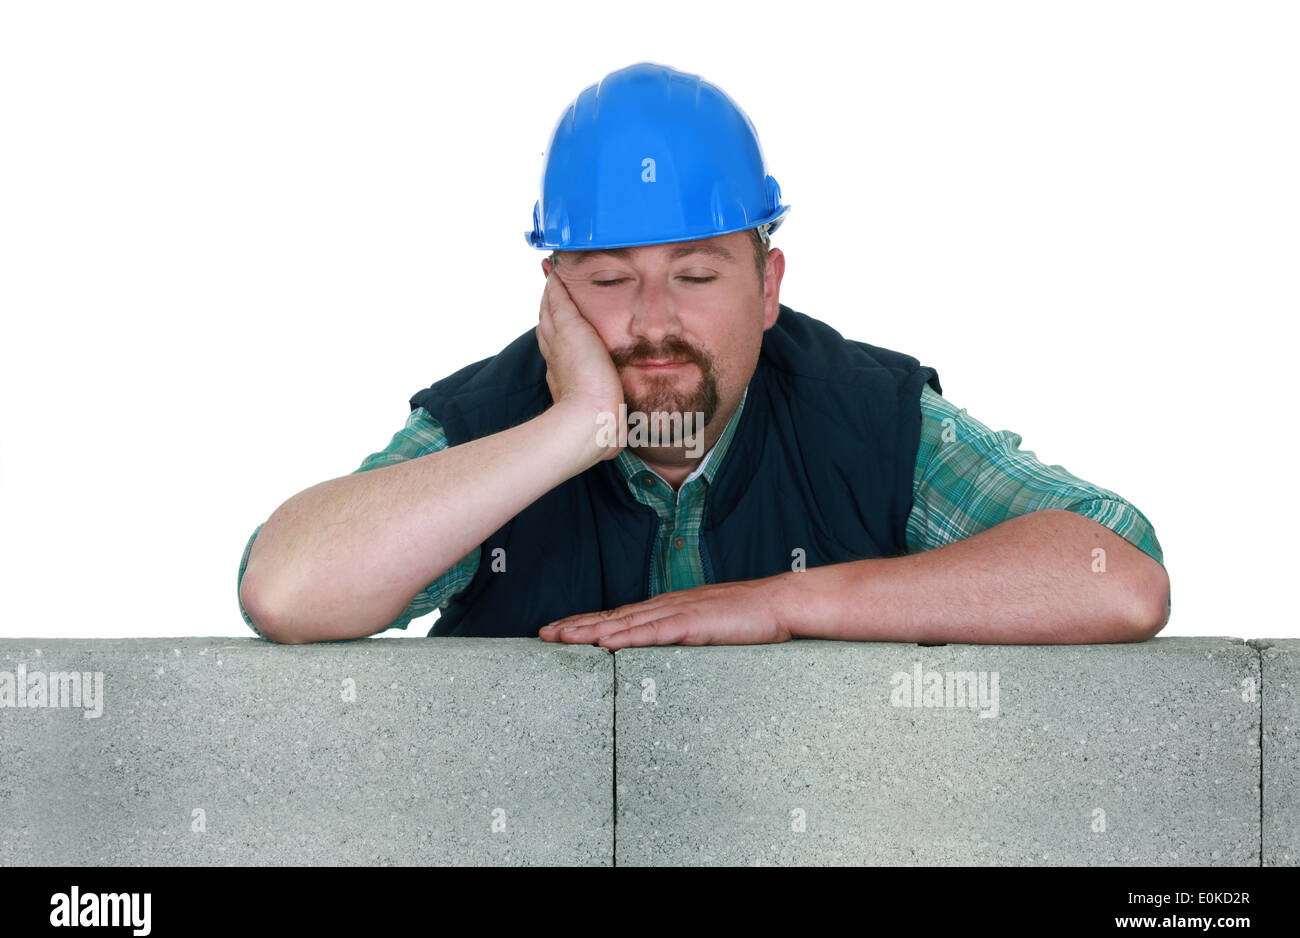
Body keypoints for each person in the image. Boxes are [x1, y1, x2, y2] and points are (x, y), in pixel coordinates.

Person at [237, 61, 1169, 649]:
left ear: (767, 290)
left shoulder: (865, 415)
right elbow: (285, 589)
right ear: (554, 292)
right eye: (607, 282)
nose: (651, 321)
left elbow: (1118, 575)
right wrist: (571, 432)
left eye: (695, 276)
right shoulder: (489, 423)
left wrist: (784, 604)